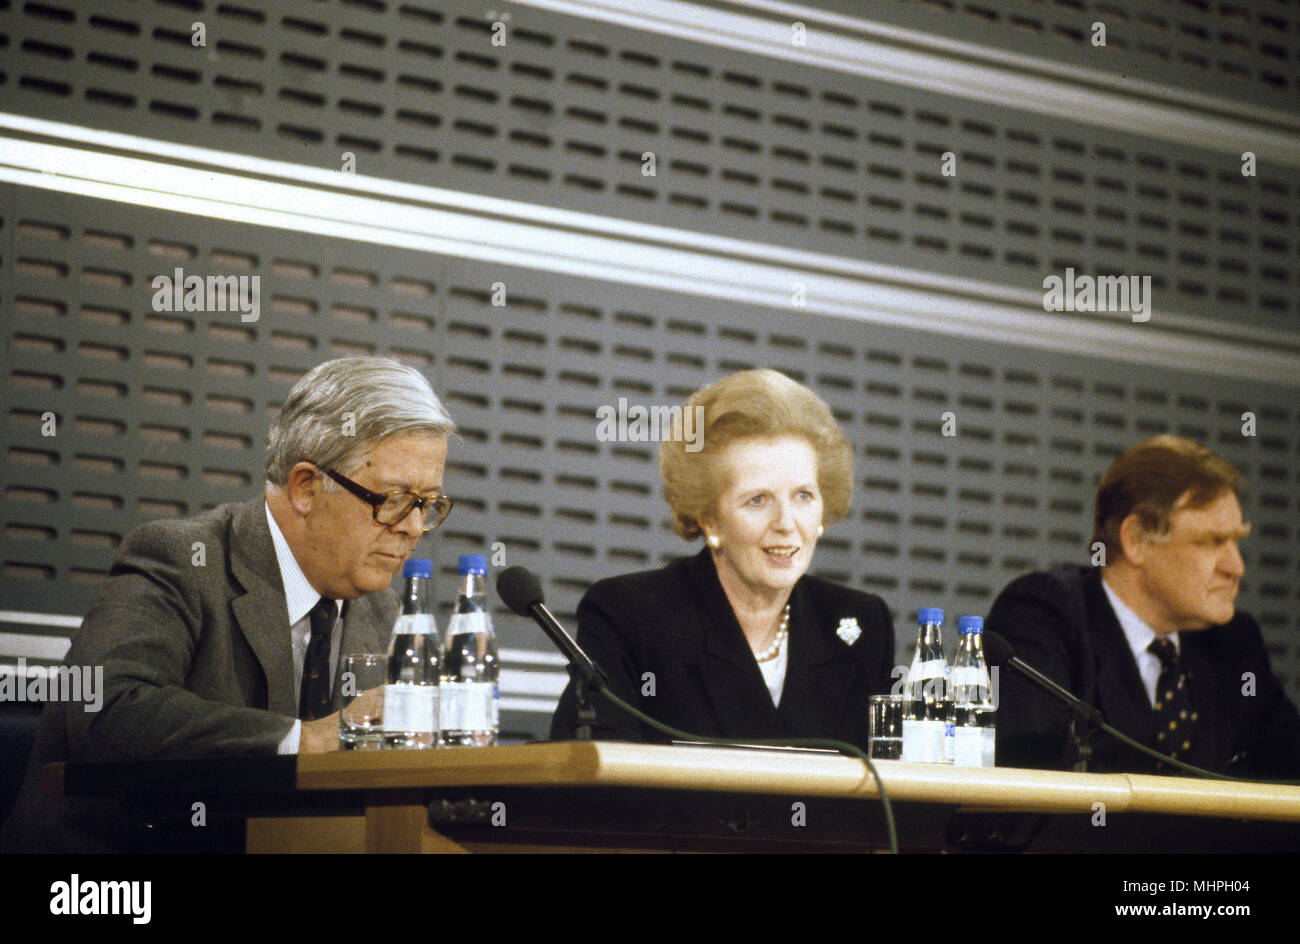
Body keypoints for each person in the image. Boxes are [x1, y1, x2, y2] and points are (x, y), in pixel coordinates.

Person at [2, 356, 456, 852]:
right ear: (306, 487)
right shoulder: (181, 559)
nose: (413, 527)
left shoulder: (384, 612)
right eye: (393, 498)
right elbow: (105, 709)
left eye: (427, 504)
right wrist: (309, 741)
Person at [550, 369, 894, 747]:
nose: (785, 523)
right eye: (757, 500)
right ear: (709, 518)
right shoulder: (632, 618)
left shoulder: (861, 625)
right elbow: (590, 775)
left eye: (803, 496)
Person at [988, 435, 1300, 778]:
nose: (1236, 567)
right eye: (1212, 542)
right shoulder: (1043, 613)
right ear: (1135, 539)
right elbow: (1031, 779)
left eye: (1235, 541)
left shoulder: (1235, 642)